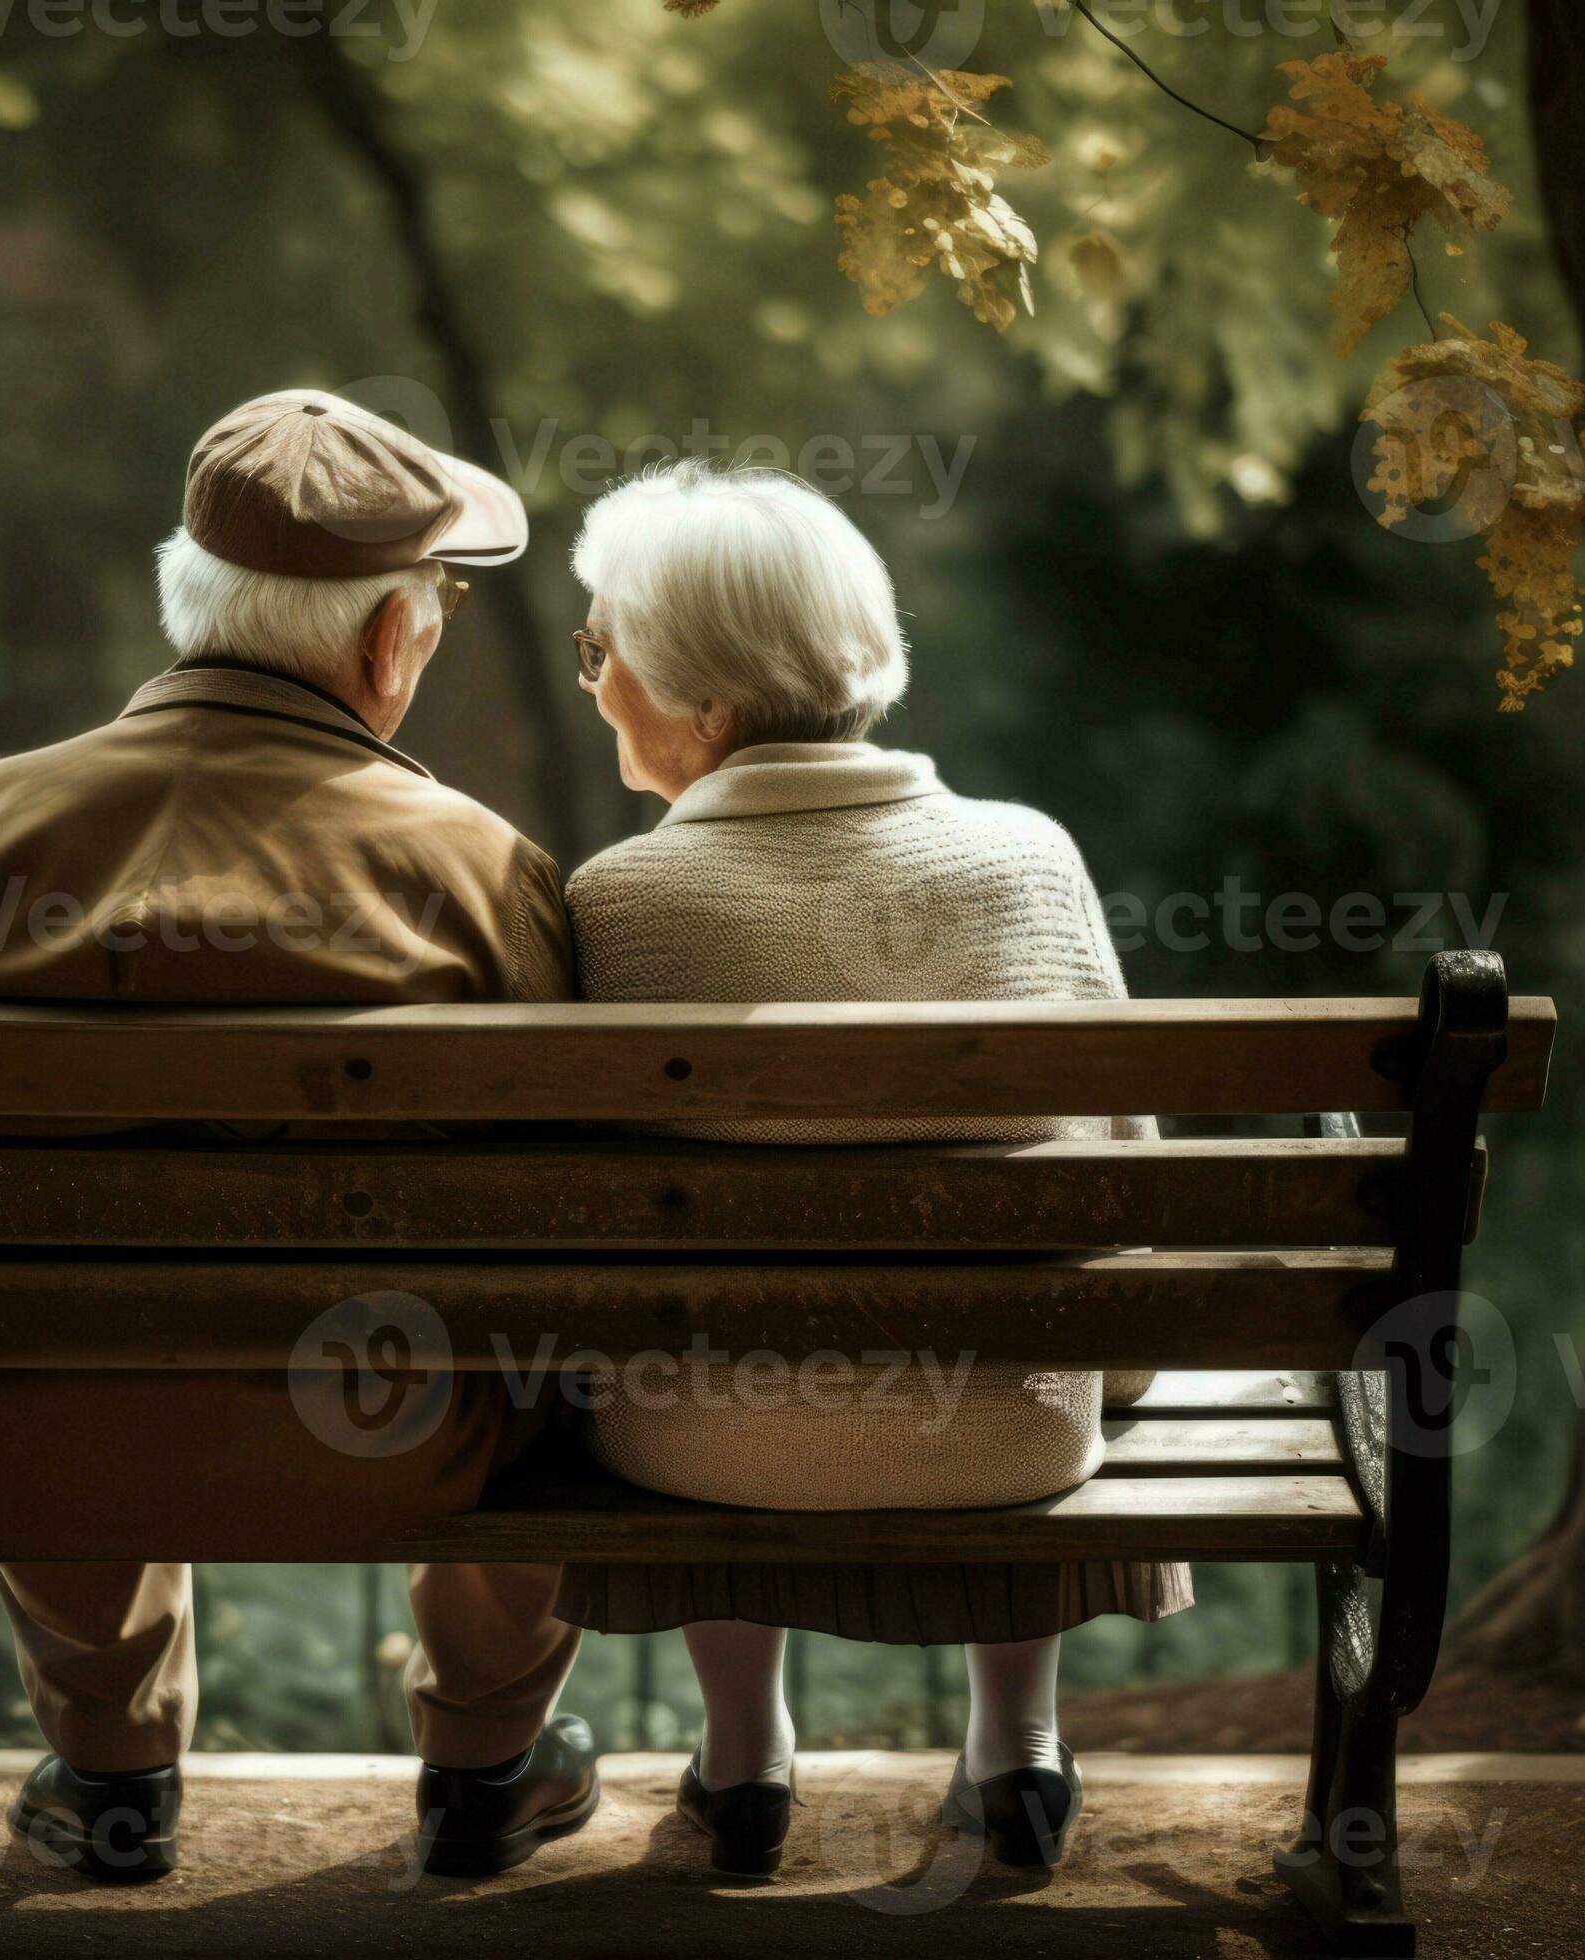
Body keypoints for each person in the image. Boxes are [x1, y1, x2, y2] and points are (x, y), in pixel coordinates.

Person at [0, 391, 599, 1884]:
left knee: (20, 1323)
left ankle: (111, 1769)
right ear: (384, 645)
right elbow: (580, 1214)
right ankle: (486, 1760)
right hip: (400, 1446)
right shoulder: (480, 873)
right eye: (431, 616)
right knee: (548, 1323)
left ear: (188, 606)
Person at [555, 461, 1190, 1877]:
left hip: (698, 1439)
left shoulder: (617, 902)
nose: (595, 683)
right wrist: (1121, 1380)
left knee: (698, 1330)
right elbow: (1127, 1170)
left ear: (708, 704)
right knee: (1014, 1332)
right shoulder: (1030, 858)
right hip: (1012, 1427)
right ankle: (1017, 1749)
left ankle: (740, 1763)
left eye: (603, 650)